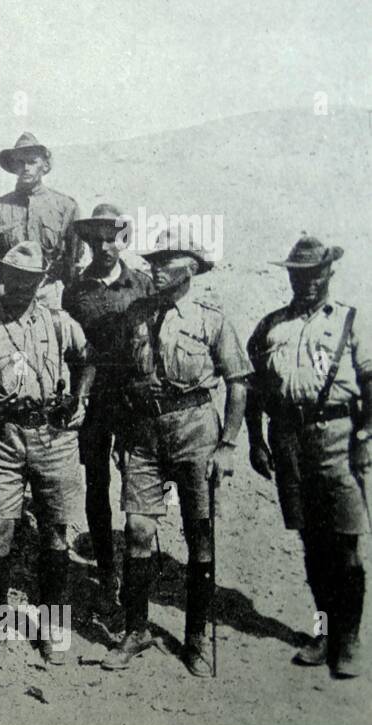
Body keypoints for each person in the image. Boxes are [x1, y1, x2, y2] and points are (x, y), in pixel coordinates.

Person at [101, 227, 249, 677]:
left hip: (196, 429)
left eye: (168, 261)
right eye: (155, 260)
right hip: (144, 432)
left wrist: (227, 445)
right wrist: (122, 433)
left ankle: (197, 638)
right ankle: (137, 628)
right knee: (138, 529)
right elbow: (122, 377)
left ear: (191, 269)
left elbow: (238, 383)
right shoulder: (136, 315)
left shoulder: (211, 317)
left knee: (199, 531)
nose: (158, 268)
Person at [0, 241, 94, 670]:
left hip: (53, 435)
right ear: (1, 278)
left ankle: (52, 625)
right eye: (12, 277)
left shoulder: (59, 321)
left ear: (40, 282)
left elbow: (87, 359)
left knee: (55, 532)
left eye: (29, 279)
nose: (19, 286)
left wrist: (79, 399)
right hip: (3, 439)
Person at [247, 234, 367, 678]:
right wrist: (256, 440)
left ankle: (349, 640)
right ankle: (324, 632)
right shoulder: (272, 325)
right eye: (299, 274)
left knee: (346, 545)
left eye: (315, 273)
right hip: (289, 439)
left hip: (338, 437)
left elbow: (371, 380)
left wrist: (366, 437)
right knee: (313, 544)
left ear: (329, 273)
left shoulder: (351, 321)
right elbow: (254, 388)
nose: (308, 282)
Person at [61, 204, 154, 617]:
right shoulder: (76, 291)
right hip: (95, 398)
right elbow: (73, 352)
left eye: (112, 237)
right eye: (95, 239)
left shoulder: (144, 285)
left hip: (134, 399)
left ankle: (140, 568)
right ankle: (105, 568)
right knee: (96, 482)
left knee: (138, 479)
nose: (104, 246)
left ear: (124, 239)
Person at [0, 133, 80, 311]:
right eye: (20, 162)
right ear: (13, 166)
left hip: (50, 294)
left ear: (44, 165)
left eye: (32, 162)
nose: (26, 168)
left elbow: (73, 257)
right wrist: (1, 289)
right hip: (11, 294)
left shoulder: (65, 206)